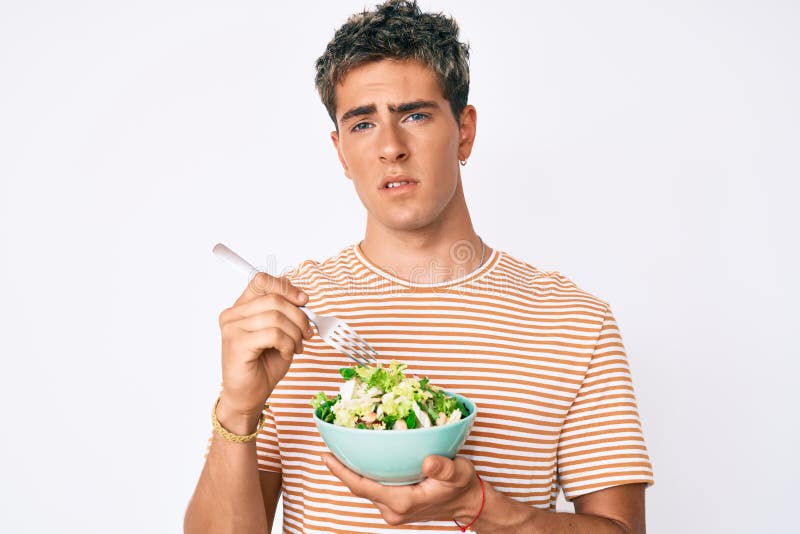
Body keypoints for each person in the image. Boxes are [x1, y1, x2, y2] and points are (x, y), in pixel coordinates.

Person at [184, 1, 654, 532]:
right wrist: (237, 409)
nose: (391, 147)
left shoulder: (576, 321)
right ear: (341, 152)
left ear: (465, 131)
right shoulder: (287, 318)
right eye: (363, 123)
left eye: (415, 115)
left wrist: (480, 507)